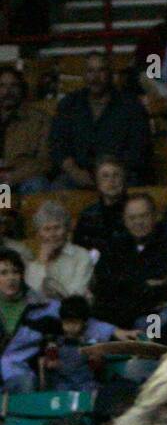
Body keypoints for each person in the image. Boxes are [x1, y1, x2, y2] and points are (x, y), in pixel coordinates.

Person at [48, 51, 152, 187]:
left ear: (110, 74)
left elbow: (138, 150)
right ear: (84, 75)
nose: (95, 77)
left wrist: (108, 173)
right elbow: (58, 146)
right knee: (58, 187)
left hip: (119, 174)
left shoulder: (131, 106)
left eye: (101, 70)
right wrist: (75, 172)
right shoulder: (69, 104)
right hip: (78, 174)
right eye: (90, 71)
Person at [91, 192, 167, 330]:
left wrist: (126, 283)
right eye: (132, 218)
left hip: (154, 315)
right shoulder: (113, 246)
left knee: (157, 325)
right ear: (124, 220)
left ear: (155, 216)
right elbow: (103, 285)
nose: (138, 222)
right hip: (117, 315)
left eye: (144, 216)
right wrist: (143, 285)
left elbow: (166, 290)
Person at [0, 248, 60, 390]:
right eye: (3, 273)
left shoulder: (42, 305)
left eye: (15, 272)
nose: (11, 278)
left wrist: (112, 330)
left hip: (26, 377)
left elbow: (77, 318)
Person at [24, 201, 95, 301]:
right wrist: (41, 262)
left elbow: (77, 294)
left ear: (66, 229)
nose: (52, 234)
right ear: (39, 233)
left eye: (57, 228)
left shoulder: (82, 256)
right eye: (47, 229)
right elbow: (31, 295)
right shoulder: (32, 257)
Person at [0, 64, 52, 193]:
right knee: (2, 196)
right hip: (2, 182)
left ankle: (6, 209)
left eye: (14, 85)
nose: (8, 91)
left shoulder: (39, 120)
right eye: (2, 86)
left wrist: (15, 176)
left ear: (21, 89)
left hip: (22, 177)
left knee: (37, 184)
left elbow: (46, 161)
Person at [73, 156, 129, 256]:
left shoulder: (135, 211)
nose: (111, 181)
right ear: (97, 182)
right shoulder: (87, 216)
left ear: (123, 179)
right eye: (105, 176)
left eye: (116, 175)